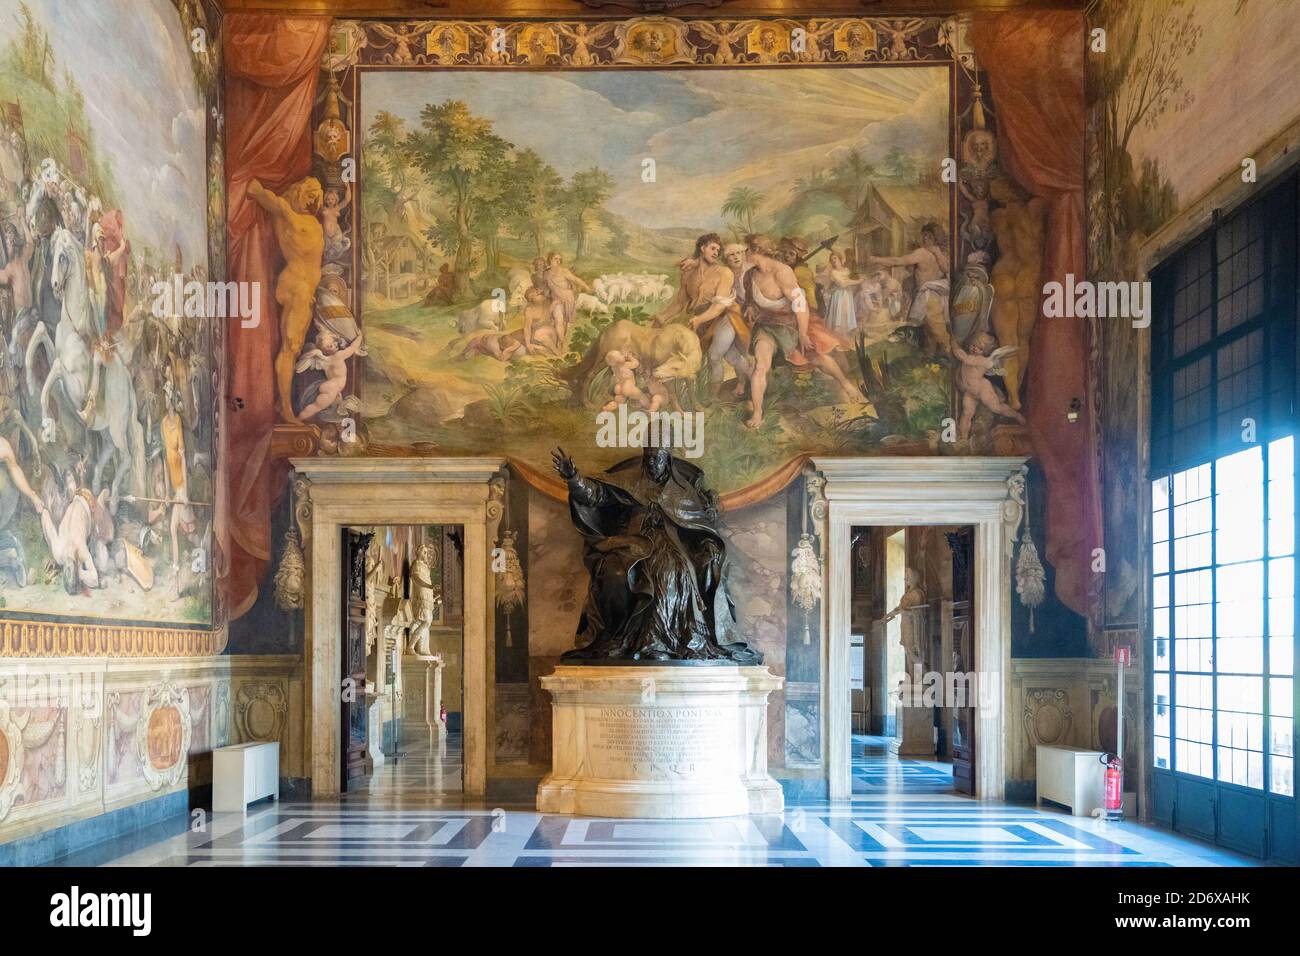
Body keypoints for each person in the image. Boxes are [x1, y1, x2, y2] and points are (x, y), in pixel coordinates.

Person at [550, 444, 762, 663]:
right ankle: (621, 638)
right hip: (630, 545)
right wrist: (574, 479)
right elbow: (595, 496)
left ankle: (656, 641)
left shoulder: (682, 491)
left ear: (667, 459)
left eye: (656, 458)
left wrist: (709, 547)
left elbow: (699, 527)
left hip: (670, 547)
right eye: (648, 457)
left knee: (668, 571)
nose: (651, 463)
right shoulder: (629, 481)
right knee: (620, 574)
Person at [742, 234, 866, 428]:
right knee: (760, 365)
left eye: (747, 249)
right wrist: (749, 305)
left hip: (791, 325)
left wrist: (802, 333)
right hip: (766, 326)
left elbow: (800, 304)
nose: (744, 253)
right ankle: (758, 413)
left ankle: (845, 383)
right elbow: (750, 298)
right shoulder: (749, 276)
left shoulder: (782, 272)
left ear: (756, 250)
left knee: (816, 356)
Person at [868, 222, 951, 351]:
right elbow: (946, 269)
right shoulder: (941, 254)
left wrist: (876, 259)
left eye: (929, 236)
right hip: (938, 298)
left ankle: (940, 358)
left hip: (928, 299)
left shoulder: (922, 253)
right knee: (931, 333)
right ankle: (931, 361)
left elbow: (898, 261)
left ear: (935, 238)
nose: (924, 238)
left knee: (938, 335)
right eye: (923, 235)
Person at [816, 250, 859, 339]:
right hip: (838, 295)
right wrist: (858, 281)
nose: (833, 261)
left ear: (840, 259)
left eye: (835, 258)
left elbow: (847, 281)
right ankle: (838, 338)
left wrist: (853, 281)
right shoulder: (833, 272)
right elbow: (842, 284)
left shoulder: (847, 270)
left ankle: (846, 336)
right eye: (831, 260)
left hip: (847, 294)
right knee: (839, 315)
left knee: (846, 314)